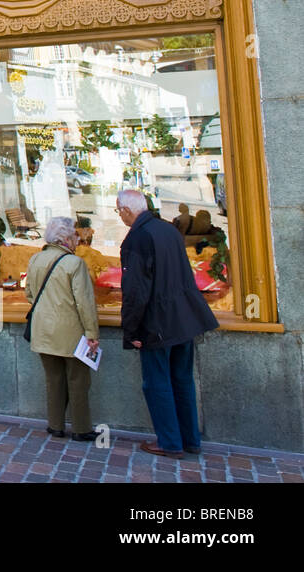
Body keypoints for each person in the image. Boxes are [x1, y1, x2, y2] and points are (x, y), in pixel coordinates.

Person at [117, 189, 219, 458]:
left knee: (157, 382)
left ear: (127, 210)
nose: (120, 216)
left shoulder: (137, 238)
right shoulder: (168, 230)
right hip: (184, 318)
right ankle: (189, 439)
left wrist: (132, 330)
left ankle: (170, 442)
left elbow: (135, 291)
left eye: (119, 211)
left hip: (157, 322)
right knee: (182, 380)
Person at [25, 217, 100, 441]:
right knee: (78, 381)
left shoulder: (35, 259)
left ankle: (55, 425)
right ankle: (81, 428)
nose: (78, 239)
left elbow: (29, 294)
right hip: (70, 332)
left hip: (42, 330)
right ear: (66, 239)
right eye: (75, 236)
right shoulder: (74, 263)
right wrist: (92, 334)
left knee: (53, 379)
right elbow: (85, 303)